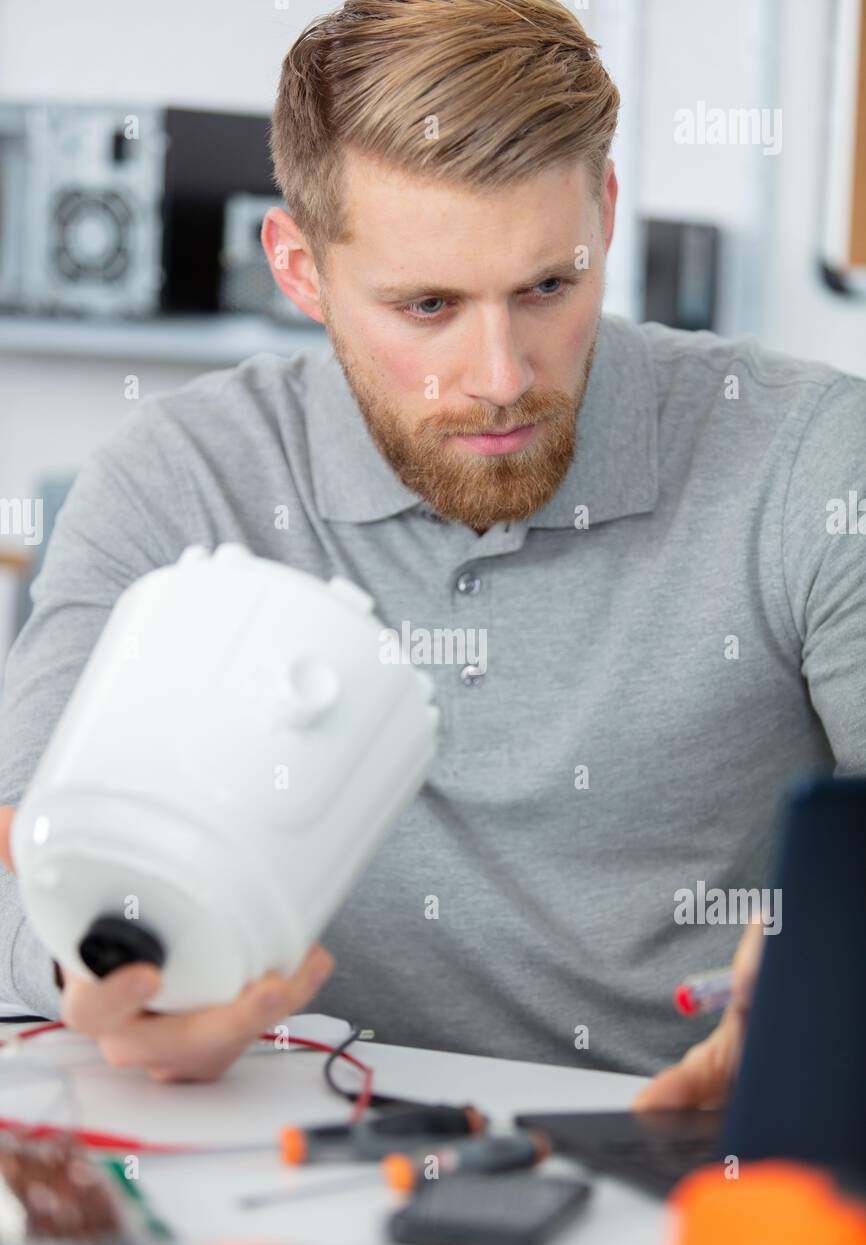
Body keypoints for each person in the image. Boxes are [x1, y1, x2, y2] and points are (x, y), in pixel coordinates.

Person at [1, 1, 864, 1095]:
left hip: (684, 1160)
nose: (500, 374)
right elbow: (24, 853)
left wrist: (823, 987)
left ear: (603, 211)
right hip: (280, 1145)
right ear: (299, 269)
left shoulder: (814, 460)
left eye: (547, 286)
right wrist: (102, 976)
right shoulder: (174, 479)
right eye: (426, 306)